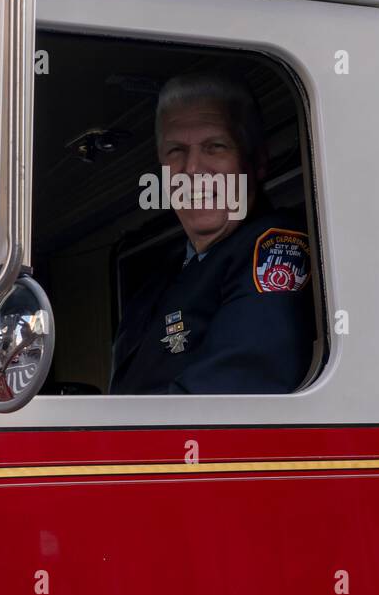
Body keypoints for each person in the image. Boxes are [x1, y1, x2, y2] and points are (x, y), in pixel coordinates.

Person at [109, 73, 316, 394]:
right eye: (176, 151)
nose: (192, 170)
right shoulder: (160, 278)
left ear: (257, 162)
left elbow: (233, 393)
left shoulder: (276, 248)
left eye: (215, 146)